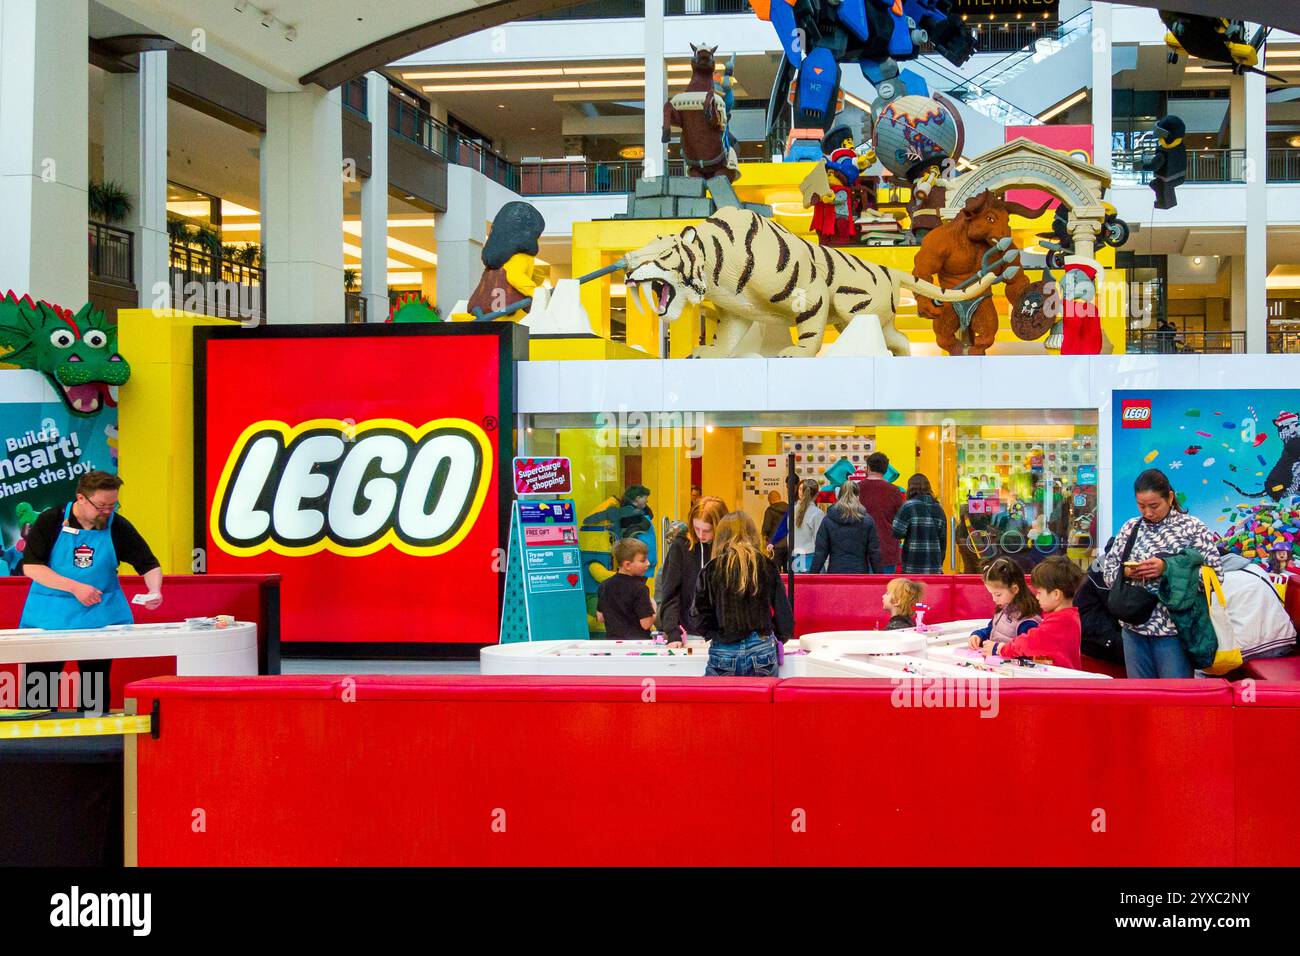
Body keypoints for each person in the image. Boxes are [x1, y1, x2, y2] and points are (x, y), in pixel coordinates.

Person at [19, 472, 163, 713]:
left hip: (97, 619)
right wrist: (75, 587)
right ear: (81, 498)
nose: (107, 511)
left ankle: (94, 742)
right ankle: (33, 745)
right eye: (102, 506)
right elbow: (32, 567)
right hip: (49, 617)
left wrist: (155, 590)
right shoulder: (50, 520)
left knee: (93, 687)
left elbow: (148, 564)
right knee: (39, 686)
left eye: (113, 504)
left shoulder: (117, 525)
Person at [1102, 468, 1222, 678]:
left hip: (1174, 631)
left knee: (1175, 702)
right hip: (1133, 629)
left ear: (1170, 497)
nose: (1148, 513)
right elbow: (1109, 571)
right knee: (1141, 701)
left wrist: (1167, 569)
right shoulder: (1131, 527)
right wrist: (1128, 573)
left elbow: (1214, 577)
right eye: (1141, 506)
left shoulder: (1192, 528)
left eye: (1154, 506)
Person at [692, 512, 793, 676]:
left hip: (724, 649)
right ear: (752, 534)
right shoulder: (766, 565)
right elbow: (785, 616)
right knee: (761, 701)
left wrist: (716, 634)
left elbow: (698, 616)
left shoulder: (711, 568)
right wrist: (776, 637)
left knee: (720, 702)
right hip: (761, 648)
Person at [979, 556, 1084, 669]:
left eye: (1039, 592)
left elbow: (1029, 642)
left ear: (1056, 594)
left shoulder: (1060, 622)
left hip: (1058, 679)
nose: (1037, 597)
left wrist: (999, 649)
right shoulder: (1067, 616)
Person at [657, 496, 727, 641]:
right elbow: (670, 593)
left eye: (707, 530)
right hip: (688, 633)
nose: (701, 535)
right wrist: (673, 632)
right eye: (696, 529)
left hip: (724, 634)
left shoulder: (729, 549)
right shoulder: (681, 546)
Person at [968, 557, 1041, 649]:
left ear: (1014, 589)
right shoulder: (1004, 607)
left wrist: (996, 649)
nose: (994, 599)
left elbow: (1027, 650)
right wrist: (979, 635)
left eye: (998, 595)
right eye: (991, 594)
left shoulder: (1028, 621)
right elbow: (994, 630)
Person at [811, 480, 882, 574]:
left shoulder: (828, 520)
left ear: (839, 496)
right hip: (860, 573)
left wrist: (812, 574)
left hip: (835, 572)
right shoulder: (867, 520)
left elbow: (820, 552)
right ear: (858, 496)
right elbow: (874, 553)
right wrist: (879, 576)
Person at [596, 538, 655, 639]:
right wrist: (654, 606)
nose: (648, 563)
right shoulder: (640, 588)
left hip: (612, 643)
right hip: (637, 645)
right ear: (627, 565)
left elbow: (600, 617)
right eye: (643, 560)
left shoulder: (604, 585)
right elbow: (646, 624)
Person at [892, 474, 948, 574]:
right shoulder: (939, 509)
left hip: (912, 564)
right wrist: (940, 561)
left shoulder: (908, 506)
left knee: (912, 590)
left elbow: (897, 532)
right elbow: (943, 540)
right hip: (934, 566)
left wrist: (910, 532)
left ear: (910, 488)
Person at [858, 452, 904, 573]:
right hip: (887, 548)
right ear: (885, 469)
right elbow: (901, 520)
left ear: (868, 468)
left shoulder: (856, 488)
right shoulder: (894, 491)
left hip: (861, 549)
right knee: (885, 589)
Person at [789, 479, 826, 573]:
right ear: (817, 494)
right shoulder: (817, 513)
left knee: (797, 587)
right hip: (810, 557)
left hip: (795, 557)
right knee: (813, 587)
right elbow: (820, 540)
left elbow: (789, 535)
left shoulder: (791, 511)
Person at [761, 490, 790, 570]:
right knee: (788, 572)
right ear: (779, 498)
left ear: (770, 500)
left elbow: (766, 528)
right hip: (789, 544)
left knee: (774, 572)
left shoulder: (770, 510)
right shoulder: (790, 509)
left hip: (775, 546)